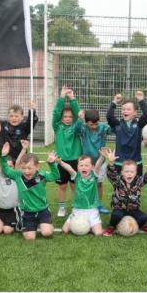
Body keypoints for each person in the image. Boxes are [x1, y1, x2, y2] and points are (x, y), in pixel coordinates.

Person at [0, 150, 56, 240]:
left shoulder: (42, 175)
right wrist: (3, 156)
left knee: (47, 233)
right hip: (27, 212)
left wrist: (52, 164)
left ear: (37, 167)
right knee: (30, 238)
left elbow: (55, 176)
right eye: (23, 168)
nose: (26, 171)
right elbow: (6, 170)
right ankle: (26, 222)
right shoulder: (18, 175)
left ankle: (45, 222)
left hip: (42, 210)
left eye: (29, 168)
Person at [101, 148, 147, 236]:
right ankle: (111, 227)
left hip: (133, 209)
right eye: (126, 171)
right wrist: (111, 163)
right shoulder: (118, 181)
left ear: (135, 173)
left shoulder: (138, 181)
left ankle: (142, 225)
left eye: (132, 172)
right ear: (122, 172)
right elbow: (111, 174)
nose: (129, 174)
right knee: (116, 216)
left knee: (144, 217)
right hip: (119, 208)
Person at [55, 152, 107, 236]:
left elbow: (98, 165)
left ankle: (90, 223)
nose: (84, 167)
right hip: (77, 209)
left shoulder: (94, 175)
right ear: (78, 168)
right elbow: (69, 168)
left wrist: (102, 156)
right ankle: (85, 223)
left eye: (86, 165)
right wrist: (60, 162)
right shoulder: (76, 176)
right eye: (81, 165)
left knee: (98, 233)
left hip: (92, 210)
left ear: (92, 167)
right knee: (65, 230)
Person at [52, 86, 84, 218]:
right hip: (61, 160)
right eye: (65, 116)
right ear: (61, 118)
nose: (67, 118)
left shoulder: (77, 126)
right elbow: (55, 113)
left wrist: (72, 99)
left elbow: (79, 115)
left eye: (70, 117)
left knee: (74, 186)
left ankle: (76, 206)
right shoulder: (57, 126)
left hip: (76, 160)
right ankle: (62, 207)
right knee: (62, 186)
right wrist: (61, 98)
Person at [106, 90, 147, 174]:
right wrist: (115, 102)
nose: (125, 111)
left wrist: (141, 100)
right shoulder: (118, 124)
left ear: (135, 112)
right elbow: (109, 116)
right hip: (120, 163)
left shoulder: (139, 124)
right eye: (123, 109)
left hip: (136, 163)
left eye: (128, 109)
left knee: (136, 186)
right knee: (119, 186)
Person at [80, 109, 112, 214]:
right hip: (86, 163)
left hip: (101, 161)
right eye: (91, 124)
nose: (94, 126)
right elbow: (76, 129)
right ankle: (87, 203)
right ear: (86, 122)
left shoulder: (103, 127)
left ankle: (98, 204)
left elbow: (115, 129)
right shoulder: (83, 127)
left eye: (96, 124)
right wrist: (80, 119)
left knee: (98, 184)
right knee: (86, 184)